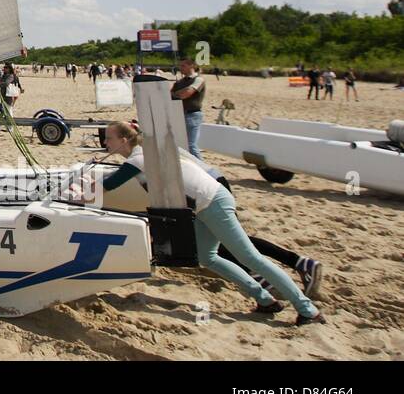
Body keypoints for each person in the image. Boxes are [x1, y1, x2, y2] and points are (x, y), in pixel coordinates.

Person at [94, 121, 324, 325]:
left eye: (109, 138)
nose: (105, 141)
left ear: (123, 140)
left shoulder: (139, 158)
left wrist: (80, 189)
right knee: (207, 257)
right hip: (202, 205)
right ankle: (265, 300)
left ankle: (308, 310)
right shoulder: (142, 155)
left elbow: (110, 183)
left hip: (213, 202)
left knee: (250, 257)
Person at [171, 57, 207, 159]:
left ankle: (204, 170)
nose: (180, 68)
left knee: (191, 145)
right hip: (180, 114)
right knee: (181, 145)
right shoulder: (180, 82)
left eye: (183, 66)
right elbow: (170, 94)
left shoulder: (199, 79)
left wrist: (175, 94)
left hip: (192, 114)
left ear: (191, 66)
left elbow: (186, 93)